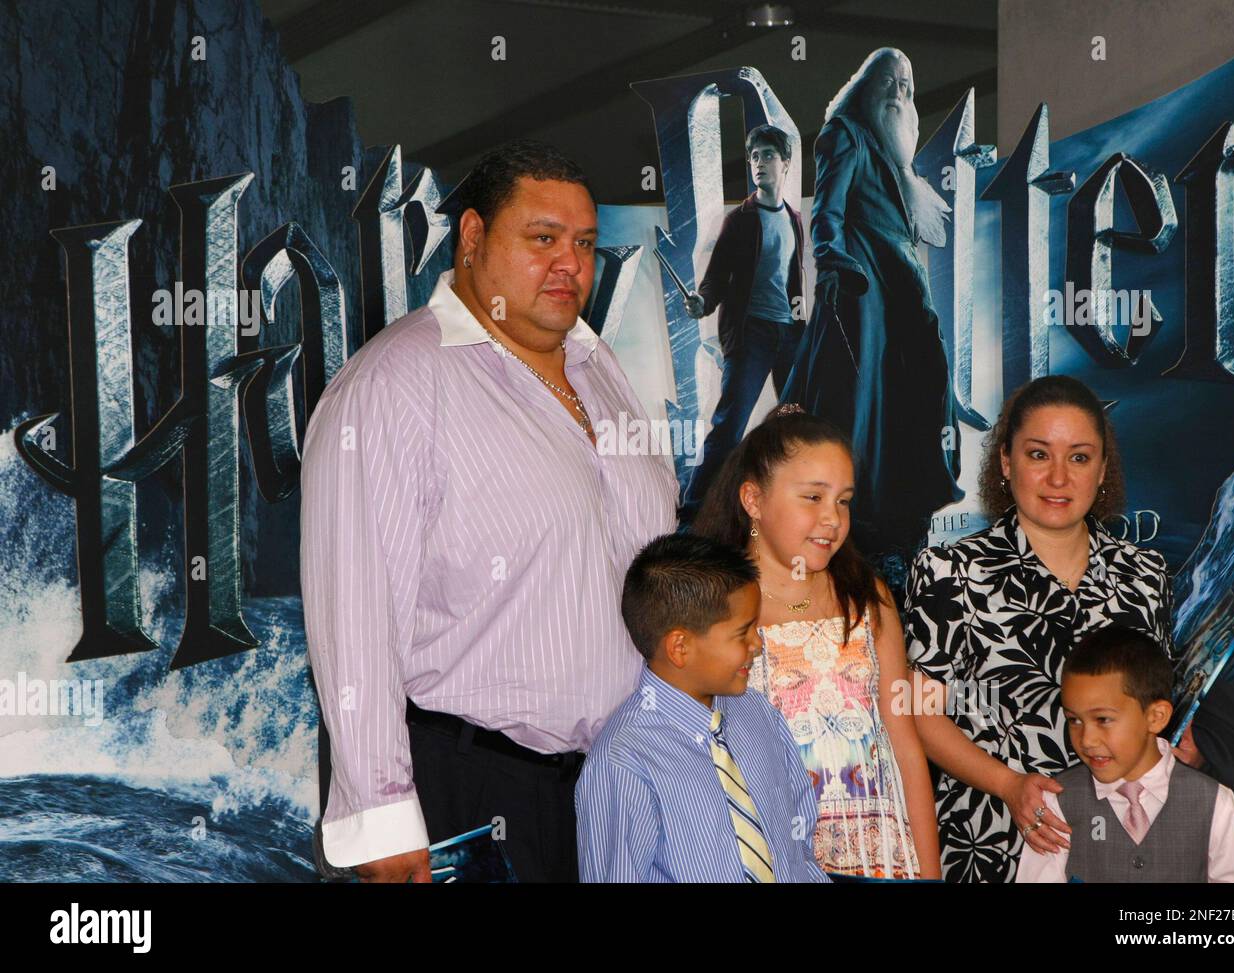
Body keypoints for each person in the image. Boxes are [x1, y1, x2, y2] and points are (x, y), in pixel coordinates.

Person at [300, 139, 678, 883]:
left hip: (614, 788)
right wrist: (383, 818)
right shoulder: (396, 382)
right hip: (467, 794)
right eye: (543, 239)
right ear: (472, 237)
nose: (570, 264)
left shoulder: (600, 368)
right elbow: (355, 612)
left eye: (585, 244)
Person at [904, 375, 1172, 883]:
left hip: (1125, 844)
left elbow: (1156, 703)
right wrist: (1009, 785)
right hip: (992, 839)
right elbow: (918, 712)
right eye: (1038, 454)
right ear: (1006, 462)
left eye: (1078, 457)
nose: (1058, 478)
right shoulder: (949, 571)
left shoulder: (1147, 574)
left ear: (1102, 470)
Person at [693, 404, 941, 879]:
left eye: (844, 501)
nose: (832, 518)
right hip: (769, 859)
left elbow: (905, 745)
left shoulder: (869, 599)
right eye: (812, 497)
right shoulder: (715, 608)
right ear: (753, 500)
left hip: (881, 859)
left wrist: (929, 872)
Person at [781, 47, 961, 575]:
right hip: (866, 296)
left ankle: (900, 511)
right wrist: (837, 260)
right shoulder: (845, 134)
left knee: (914, 396)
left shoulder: (896, 157)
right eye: (889, 81)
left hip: (903, 292)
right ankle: (859, 518)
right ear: (866, 84)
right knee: (857, 405)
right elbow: (826, 215)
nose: (899, 93)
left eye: (906, 83)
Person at [575, 533, 829, 883]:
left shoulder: (756, 714)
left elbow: (799, 850)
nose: (758, 643)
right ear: (680, 647)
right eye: (743, 632)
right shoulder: (623, 761)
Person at [1016, 626, 1234, 882]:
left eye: (1103, 719)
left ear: (1156, 717)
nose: (1087, 740)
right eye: (1074, 720)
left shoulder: (1215, 802)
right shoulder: (1056, 803)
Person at [678, 124, 806, 522]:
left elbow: (793, 275)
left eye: (768, 155)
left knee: (795, 424)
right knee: (729, 425)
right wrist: (703, 301)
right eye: (753, 157)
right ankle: (692, 511)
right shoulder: (740, 220)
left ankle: (787, 504)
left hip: (789, 335)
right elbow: (717, 277)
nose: (758, 163)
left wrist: (800, 309)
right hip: (751, 335)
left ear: (785, 163)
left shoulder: (795, 219)